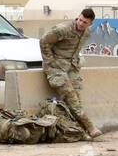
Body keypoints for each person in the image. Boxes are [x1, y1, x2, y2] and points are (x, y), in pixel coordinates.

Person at [38, 8, 101, 139]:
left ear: (90, 23)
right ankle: (89, 126)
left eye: (85, 22)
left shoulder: (86, 33)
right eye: (80, 19)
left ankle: (79, 131)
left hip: (71, 67)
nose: (81, 23)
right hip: (56, 68)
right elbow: (44, 41)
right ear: (78, 17)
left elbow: (75, 50)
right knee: (70, 97)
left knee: (76, 98)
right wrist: (50, 62)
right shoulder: (63, 29)